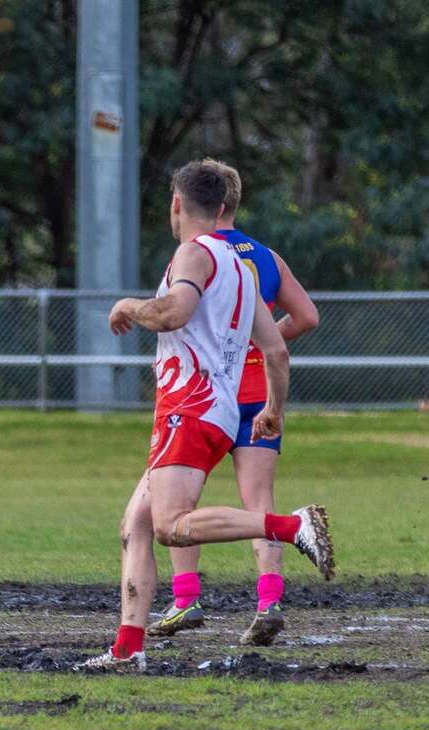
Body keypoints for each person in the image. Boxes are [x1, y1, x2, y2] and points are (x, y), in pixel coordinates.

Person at [76, 161, 334, 673]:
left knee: (171, 526)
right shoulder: (243, 270)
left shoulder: (193, 254)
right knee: (137, 523)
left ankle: (292, 525)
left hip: (188, 409)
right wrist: (273, 410)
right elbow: (276, 352)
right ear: (223, 208)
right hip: (214, 409)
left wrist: (128, 304)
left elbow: (173, 313)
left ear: (177, 204)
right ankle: (128, 649)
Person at [152, 160, 321, 646]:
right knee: (259, 501)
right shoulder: (264, 256)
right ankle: (269, 601)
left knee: (180, 502)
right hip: (257, 394)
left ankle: (185, 599)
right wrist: (255, 345)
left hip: (205, 395)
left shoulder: (197, 252)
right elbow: (306, 316)